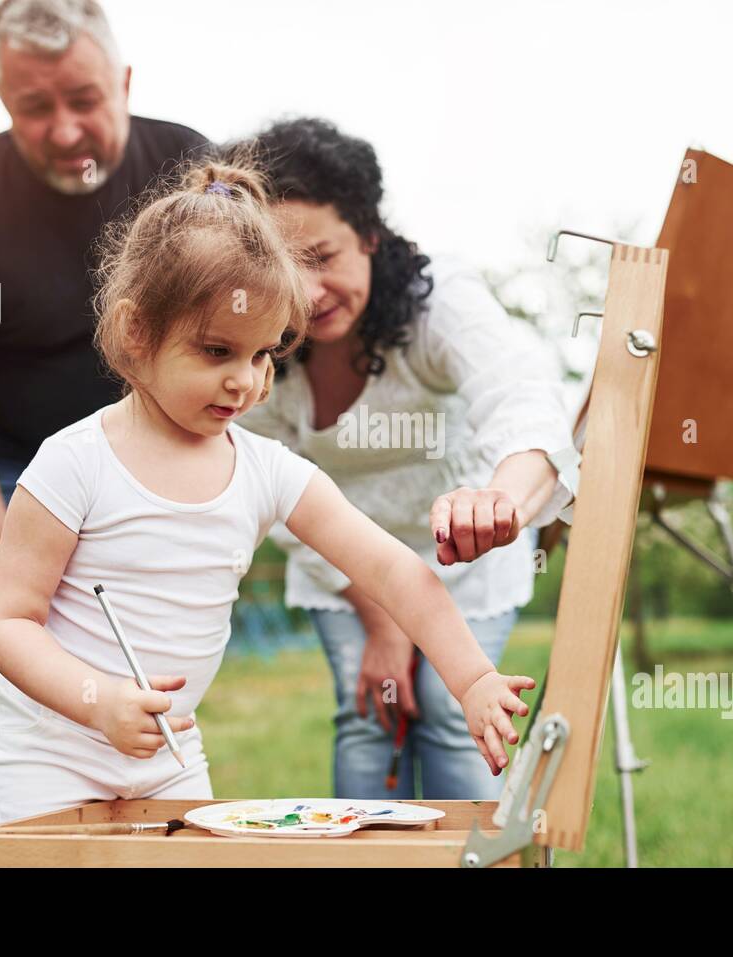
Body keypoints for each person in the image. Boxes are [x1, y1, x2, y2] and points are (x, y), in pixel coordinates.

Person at [0, 157, 536, 824]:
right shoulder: (73, 464)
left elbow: (392, 569)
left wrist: (471, 677)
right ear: (134, 331)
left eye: (264, 353)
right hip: (47, 757)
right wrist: (100, 700)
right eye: (217, 351)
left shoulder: (268, 469)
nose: (245, 380)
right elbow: (6, 620)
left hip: (169, 757)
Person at [0, 0, 208, 850]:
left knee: (146, 683)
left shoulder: (188, 168)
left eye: (84, 99)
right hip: (14, 471)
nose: (65, 129)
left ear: (125, 83)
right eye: (35, 106)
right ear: (2, 100)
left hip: (149, 460)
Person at [236, 118, 574, 801]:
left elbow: (522, 399)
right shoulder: (253, 340)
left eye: (324, 255)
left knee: (452, 710)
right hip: (343, 562)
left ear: (368, 234)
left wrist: (500, 502)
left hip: (465, 549)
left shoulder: (437, 300)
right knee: (371, 714)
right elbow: (269, 492)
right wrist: (383, 622)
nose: (306, 291)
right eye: (282, 263)